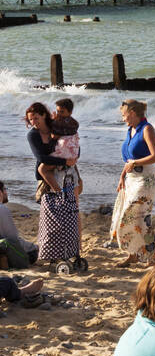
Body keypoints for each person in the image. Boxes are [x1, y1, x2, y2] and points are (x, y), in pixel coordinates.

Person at [25, 102, 80, 264]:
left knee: (73, 211)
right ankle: (54, 254)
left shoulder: (56, 126)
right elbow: (41, 158)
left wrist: (71, 160)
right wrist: (64, 160)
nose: (34, 122)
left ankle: (75, 248)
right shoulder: (32, 135)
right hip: (49, 177)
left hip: (68, 173)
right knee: (53, 216)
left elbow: (75, 145)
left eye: (36, 117)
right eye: (31, 119)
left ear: (44, 115)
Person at [110, 100, 155, 267]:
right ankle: (133, 254)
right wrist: (122, 176)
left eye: (124, 115)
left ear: (132, 113)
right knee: (127, 217)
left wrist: (135, 163)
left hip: (146, 179)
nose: (123, 119)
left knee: (138, 217)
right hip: (130, 180)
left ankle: (151, 258)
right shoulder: (130, 130)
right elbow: (128, 161)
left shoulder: (147, 129)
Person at [0, 181, 38, 265]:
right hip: (9, 250)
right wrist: (34, 247)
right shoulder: (2, 209)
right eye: (4, 189)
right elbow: (13, 239)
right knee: (33, 252)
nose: (6, 192)